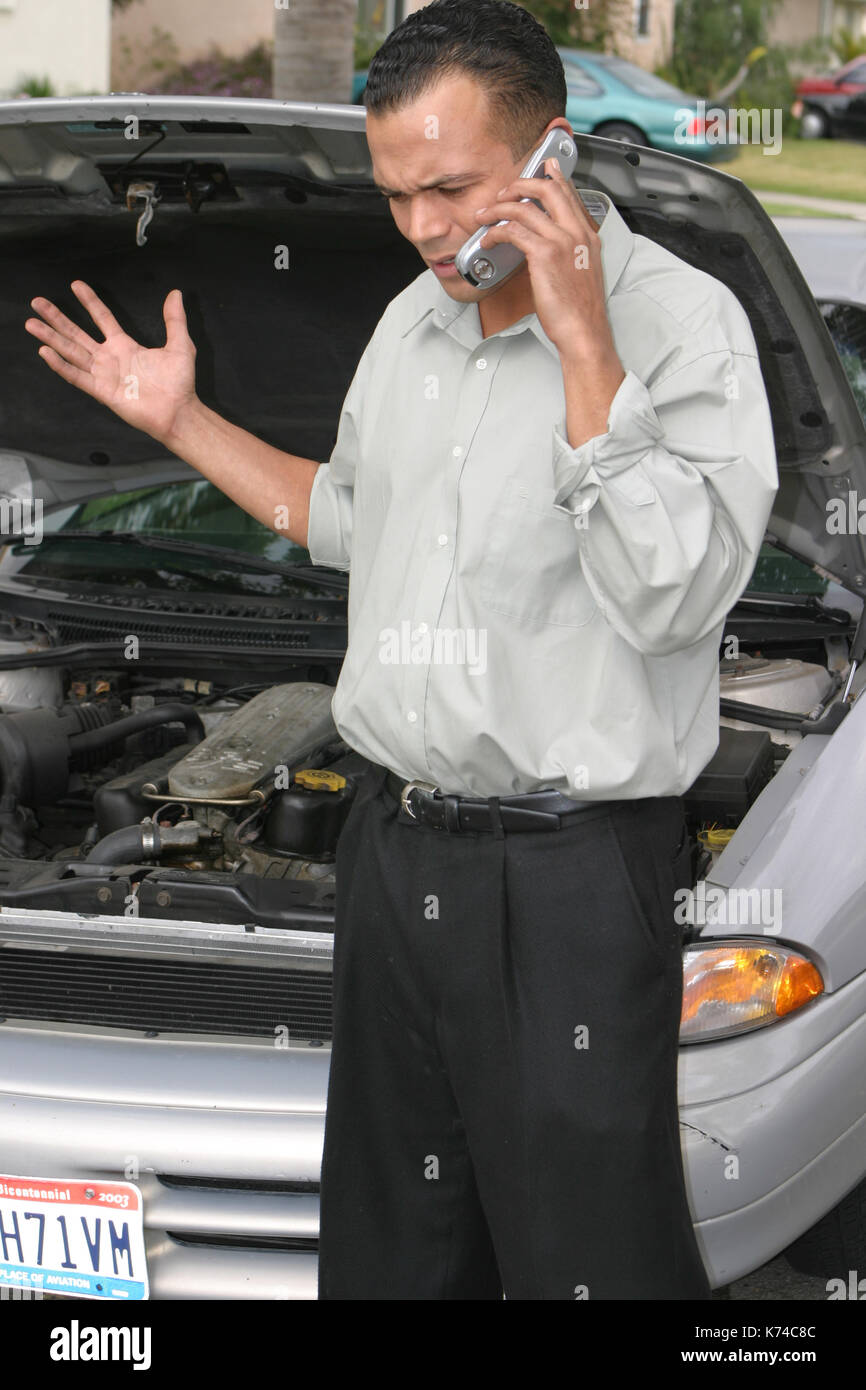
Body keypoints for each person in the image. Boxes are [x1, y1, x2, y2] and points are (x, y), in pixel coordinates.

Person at [24, 0, 778, 1300]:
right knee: (392, 1255)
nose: (422, 228)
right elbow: (345, 520)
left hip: (567, 880)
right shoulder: (412, 326)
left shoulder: (679, 323)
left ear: (551, 156)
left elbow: (673, 593)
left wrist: (584, 342)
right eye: (394, 195)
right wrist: (183, 419)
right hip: (395, 853)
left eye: (450, 188)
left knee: (585, 1259)